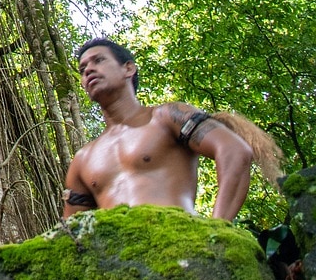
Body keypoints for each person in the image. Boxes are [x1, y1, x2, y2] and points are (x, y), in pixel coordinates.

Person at [63, 38, 283, 222]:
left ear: (128, 68)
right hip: (120, 266)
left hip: (180, 246)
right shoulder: (83, 159)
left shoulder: (166, 117)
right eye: (82, 70)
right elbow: (71, 231)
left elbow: (234, 151)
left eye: (98, 60)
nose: (89, 69)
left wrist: (217, 231)